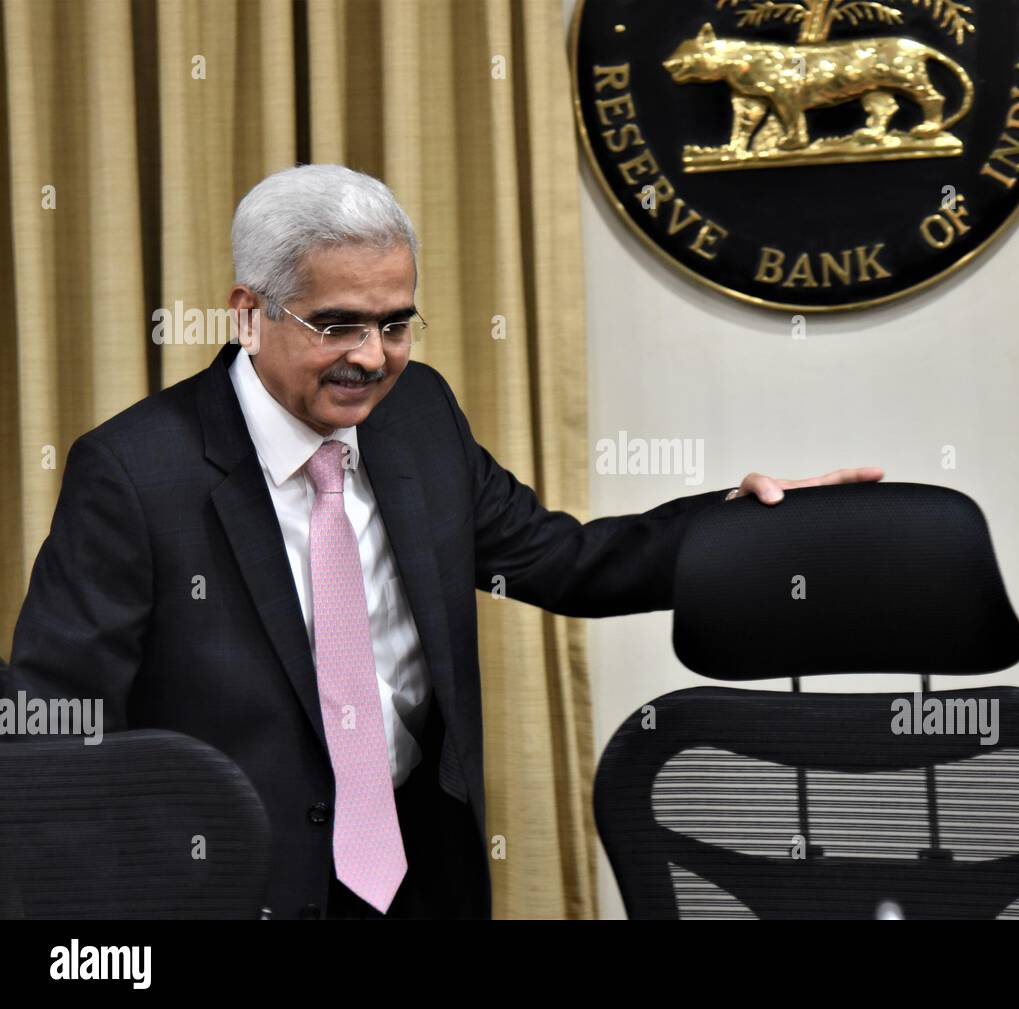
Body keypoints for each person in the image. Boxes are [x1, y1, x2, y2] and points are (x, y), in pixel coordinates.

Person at [2, 164, 883, 919]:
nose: (376, 357)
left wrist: (741, 522)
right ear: (247, 312)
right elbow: (56, 718)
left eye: (395, 322)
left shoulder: (418, 415)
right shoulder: (134, 471)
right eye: (338, 324)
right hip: (231, 882)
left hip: (422, 868)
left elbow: (563, 559)